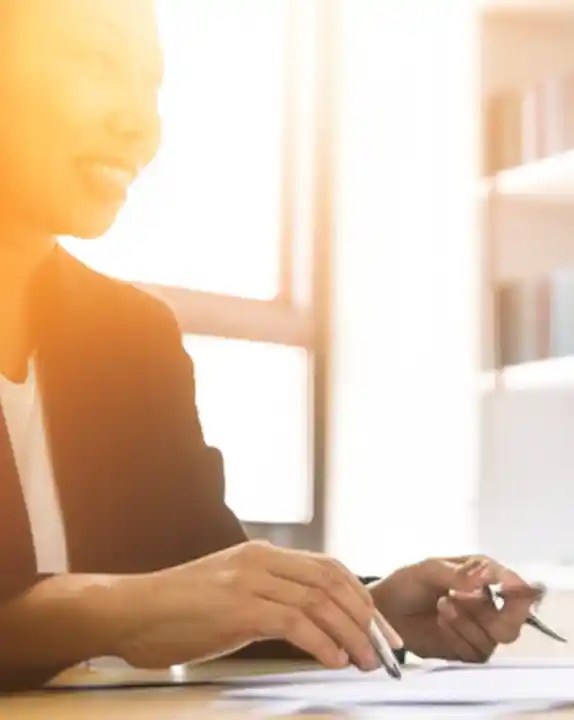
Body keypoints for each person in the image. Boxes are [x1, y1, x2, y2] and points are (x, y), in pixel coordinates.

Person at [0, 0, 536, 690]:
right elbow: (154, 604)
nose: (142, 126)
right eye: (100, 63)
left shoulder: (130, 336)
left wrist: (361, 608)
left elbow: (200, 588)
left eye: (153, 86)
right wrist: (124, 610)